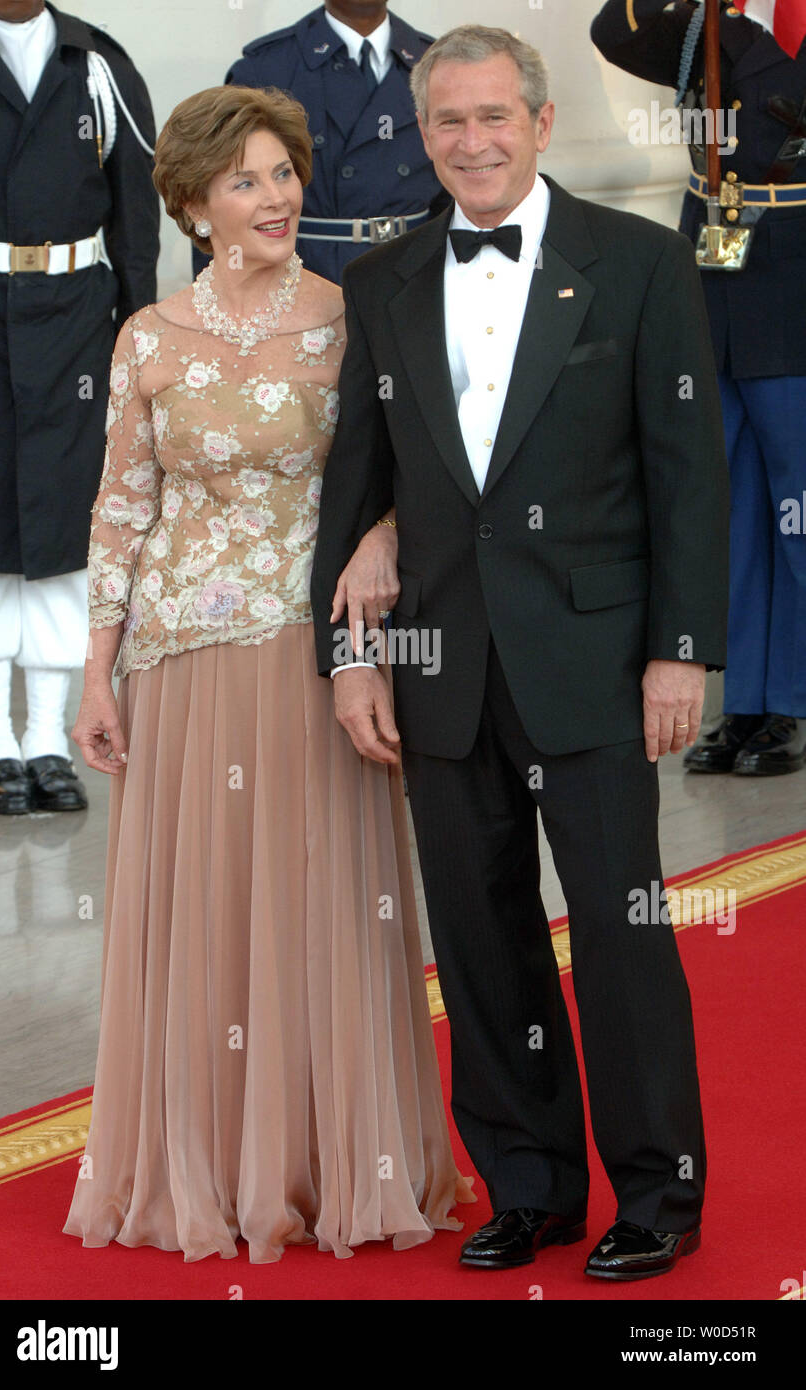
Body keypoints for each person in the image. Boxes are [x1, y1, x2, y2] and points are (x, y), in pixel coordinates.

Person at [310, 24, 730, 1280]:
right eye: (448, 122)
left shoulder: (641, 263)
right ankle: (529, 1186)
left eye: (494, 117)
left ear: (540, 124)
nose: (472, 142)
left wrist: (680, 651)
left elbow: (688, 478)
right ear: (421, 134)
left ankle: (657, 1197)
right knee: (481, 943)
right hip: (441, 662)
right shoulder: (382, 282)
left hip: (593, 660)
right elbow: (357, 487)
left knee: (620, 935)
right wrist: (348, 656)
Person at [62, 83, 474, 1264]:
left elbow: (404, 471)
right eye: (245, 179)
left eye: (283, 172)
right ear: (195, 207)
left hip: (313, 657)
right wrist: (96, 674)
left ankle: (329, 1161)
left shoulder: (356, 316)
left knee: (322, 901)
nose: (276, 196)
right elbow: (119, 512)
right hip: (179, 664)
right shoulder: (146, 335)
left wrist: (382, 537)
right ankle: (199, 1162)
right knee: (204, 913)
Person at [591, 0, 806, 776]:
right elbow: (612, 33)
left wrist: (740, 42)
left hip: (793, 279)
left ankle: (790, 700)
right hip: (712, 271)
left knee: (797, 508)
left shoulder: (750, 30)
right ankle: (743, 699)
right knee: (724, 504)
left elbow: (790, 106)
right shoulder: (715, 9)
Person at [0, 0, 159, 815]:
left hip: (78, 323)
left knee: (62, 531)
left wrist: (138, 337)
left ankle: (48, 739)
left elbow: (137, 216)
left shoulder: (101, 66)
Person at [193, 1, 446, 285]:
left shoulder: (438, 63)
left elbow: (459, 195)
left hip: (415, 276)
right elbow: (220, 203)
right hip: (301, 280)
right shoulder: (266, 69)